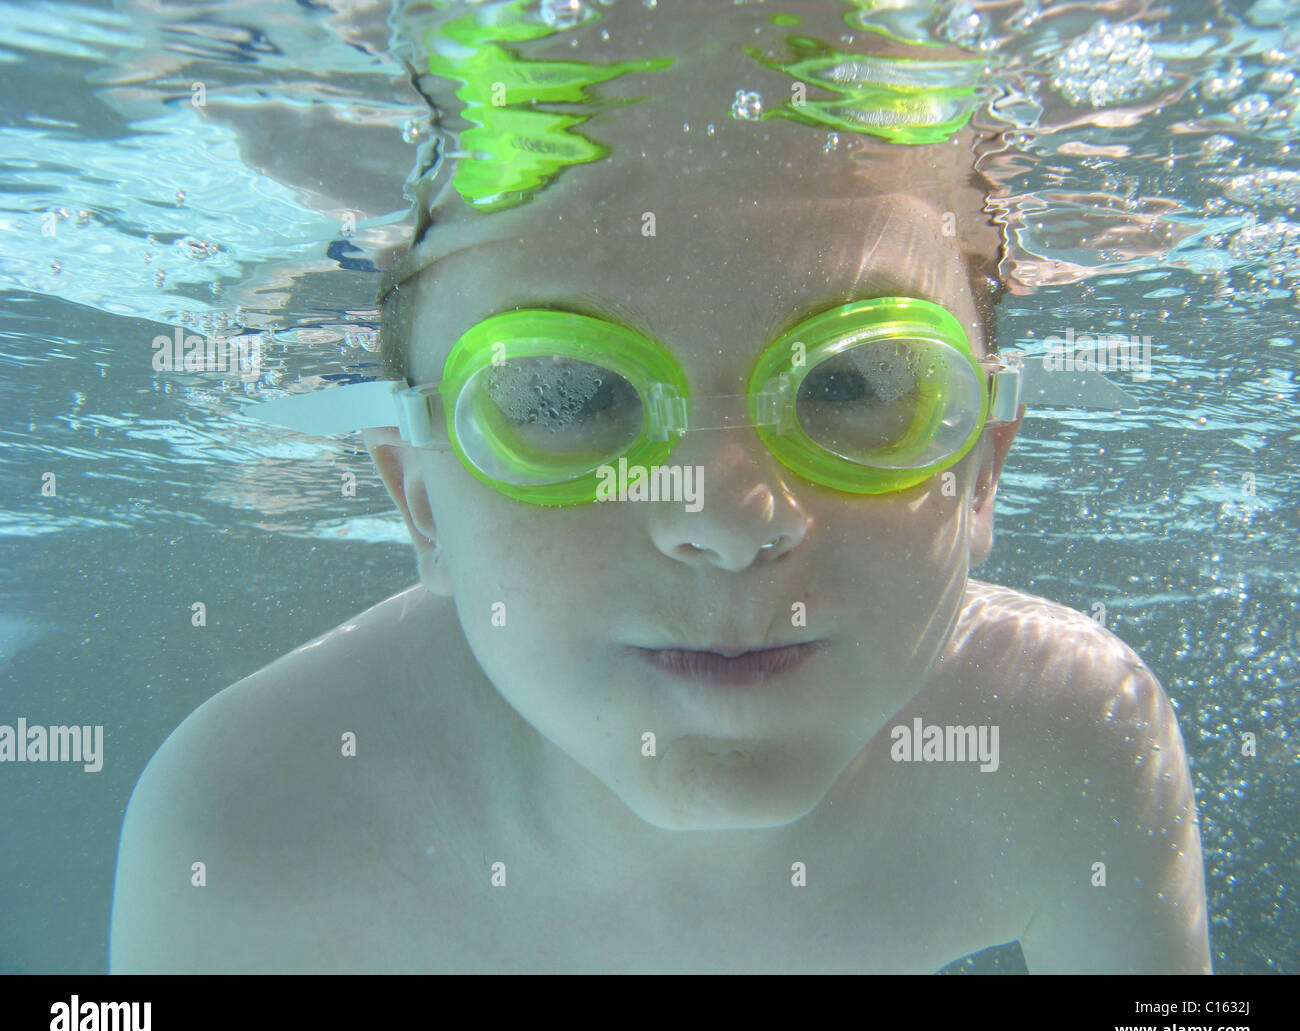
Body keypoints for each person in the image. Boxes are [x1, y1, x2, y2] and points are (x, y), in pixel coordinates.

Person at [109, 0, 1210, 973]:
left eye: (852, 384)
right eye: (566, 400)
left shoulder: (1071, 738)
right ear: (424, 503)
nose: (728, 523)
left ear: (981, 470)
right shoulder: (248, 820)